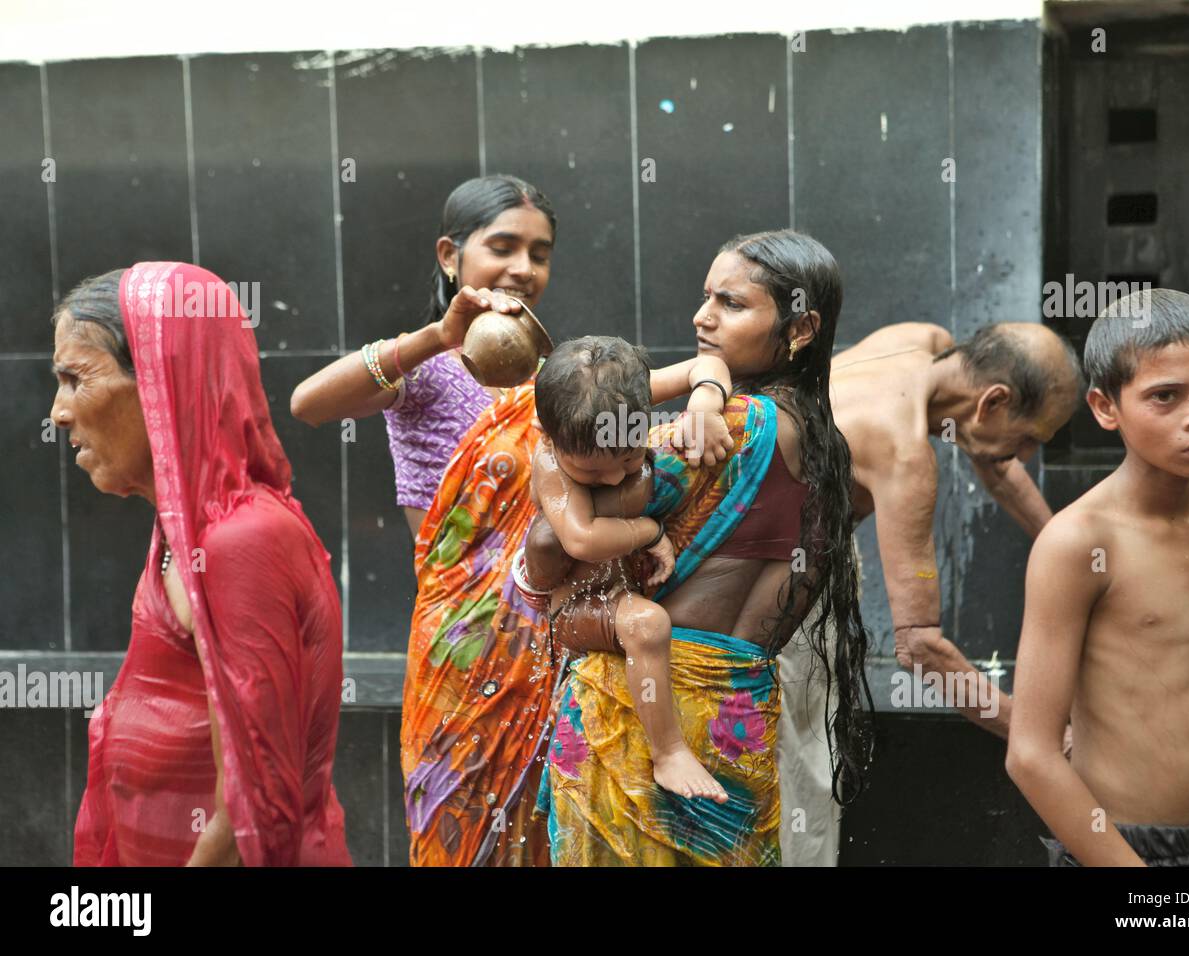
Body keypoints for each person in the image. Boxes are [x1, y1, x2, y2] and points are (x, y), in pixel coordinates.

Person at [539, 230, 875, 866]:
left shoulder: (725, 429)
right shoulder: (827, 445)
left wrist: (551, 469)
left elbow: (551, 541)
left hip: (639, 713)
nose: (702, 316)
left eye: (732, 302)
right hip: (738, 713)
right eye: (705, 297)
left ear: (799, 330)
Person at [52, 263, 351, 866]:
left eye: (74, 379)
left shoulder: (243, 541)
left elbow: (252, 809)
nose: (58, 413)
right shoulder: (180, 528)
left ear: (164, 381)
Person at [774, 320, 1083, 865]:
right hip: (770, 600)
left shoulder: (923, 343)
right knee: (799, 784)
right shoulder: (904, 452)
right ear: (992, 402)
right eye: (1031, 436)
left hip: (749, 559)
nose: (1027, 455)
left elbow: (995, 462)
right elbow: (919, 648)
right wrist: (1039, 736)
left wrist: (1066, 547)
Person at [1006, 288, 1189, 866]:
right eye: (1165, 396)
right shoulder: (1079, 543)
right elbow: (1031, 754)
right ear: (1106, 407)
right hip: (1128, 851)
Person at [521, 336, 736, 801]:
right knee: (648, 624)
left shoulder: (619, 403)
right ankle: (669, 753)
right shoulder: (552, 465)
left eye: (630, 458)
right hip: (577, 605)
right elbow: (582, 538)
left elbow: (708, 363)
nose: (616, 478)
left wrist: (703, 404)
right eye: (594, 475)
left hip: (621, 581)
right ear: (547, 434)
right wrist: (649, 532)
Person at [291, 174, 556, 538]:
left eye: (539, 255)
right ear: (449, 255)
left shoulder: (552, 376)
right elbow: (308, 405)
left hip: (555, 591)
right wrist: (438, 337)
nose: (525, 268)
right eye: (502, 248)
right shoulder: (425, 369)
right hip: (461, 592)